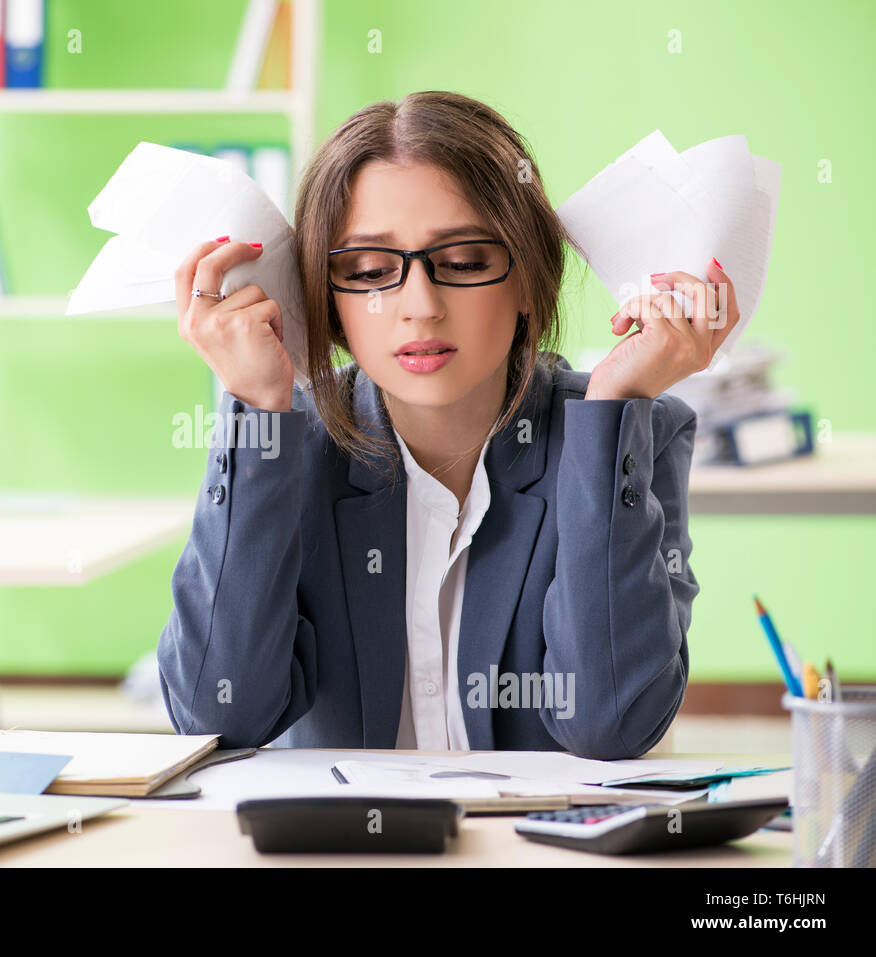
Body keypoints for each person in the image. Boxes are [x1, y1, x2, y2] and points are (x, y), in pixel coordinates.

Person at [156, 91, 739, 759]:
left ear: (527, 281)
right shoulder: (291, 442)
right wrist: (256, 405)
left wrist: (614, 404)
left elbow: (609, 723)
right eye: (371, 270)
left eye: (463, 262)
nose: (420, 306)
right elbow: (219, 712)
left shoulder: (628, 434)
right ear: (331, 301)